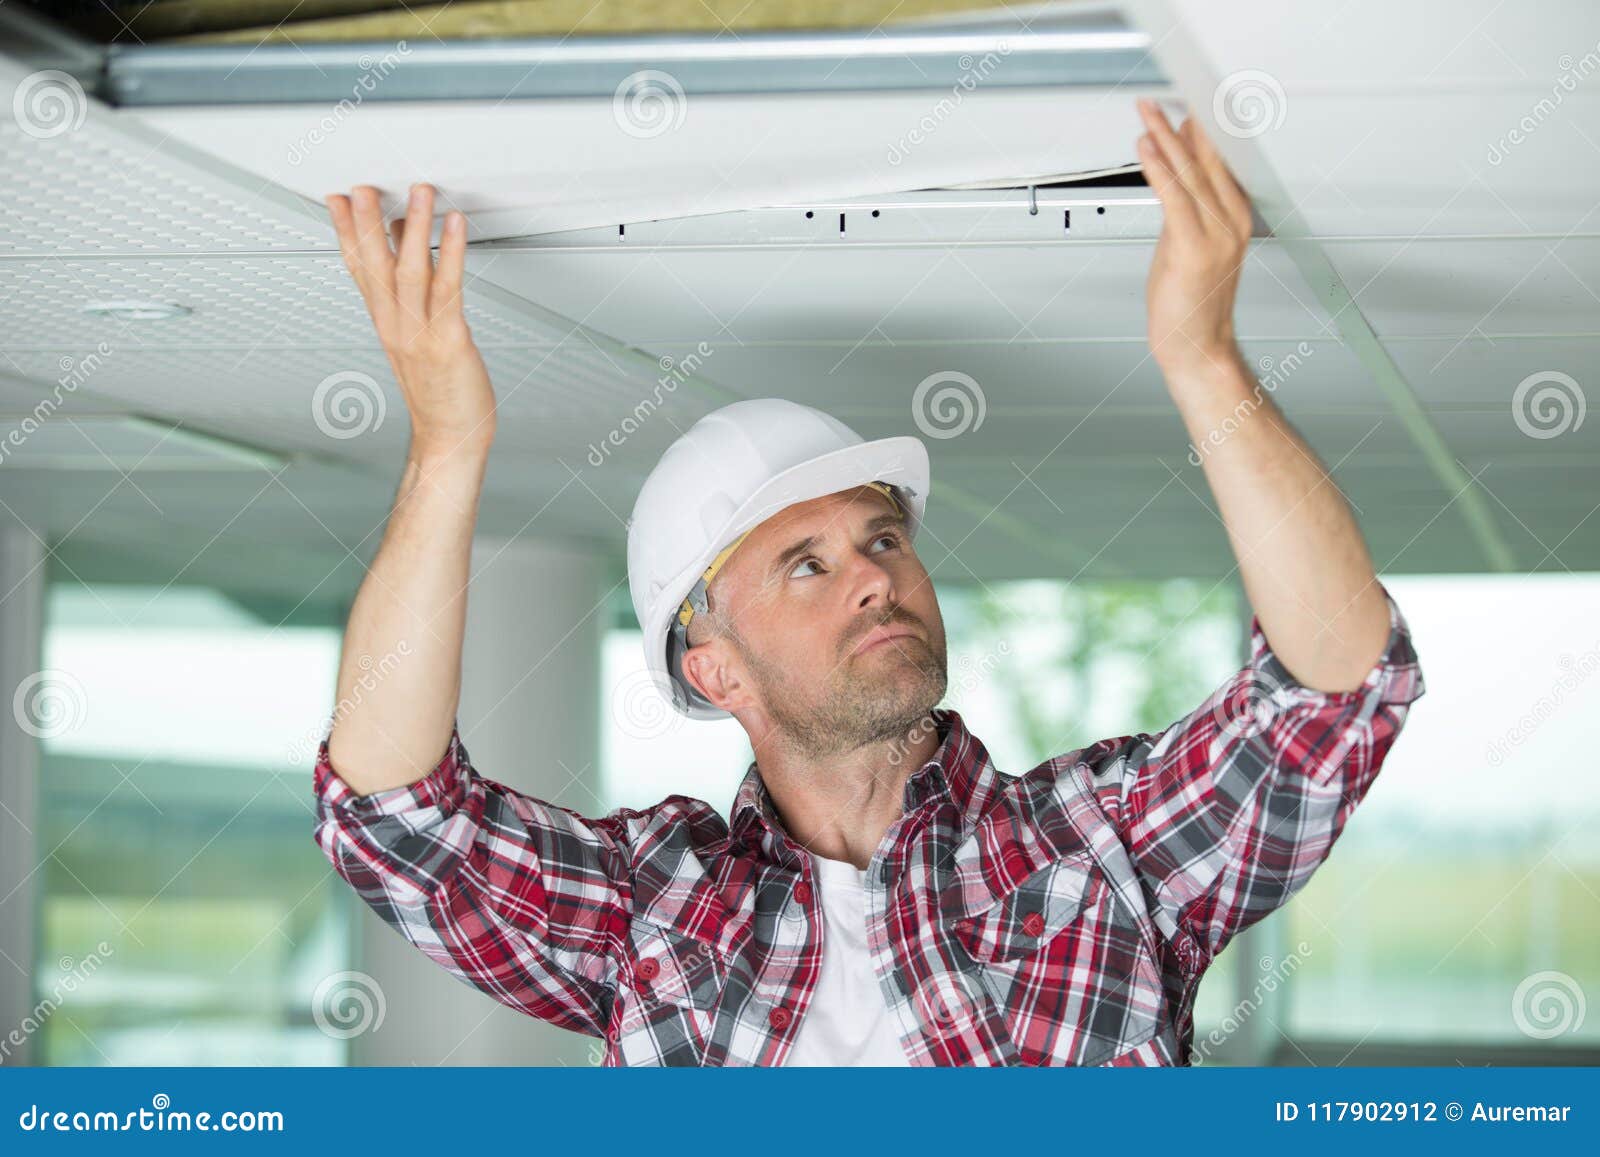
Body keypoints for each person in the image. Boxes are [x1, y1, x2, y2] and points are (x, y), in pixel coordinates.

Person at [310, 99, 1425, 1066]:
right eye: (807, 563)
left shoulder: (1101, 849)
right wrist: (447, 446)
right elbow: (395, 817)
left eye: (882, 539)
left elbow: (1329, 691)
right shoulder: (653, 908)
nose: (873, 579)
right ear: (713, 666)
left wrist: (1202, 358)